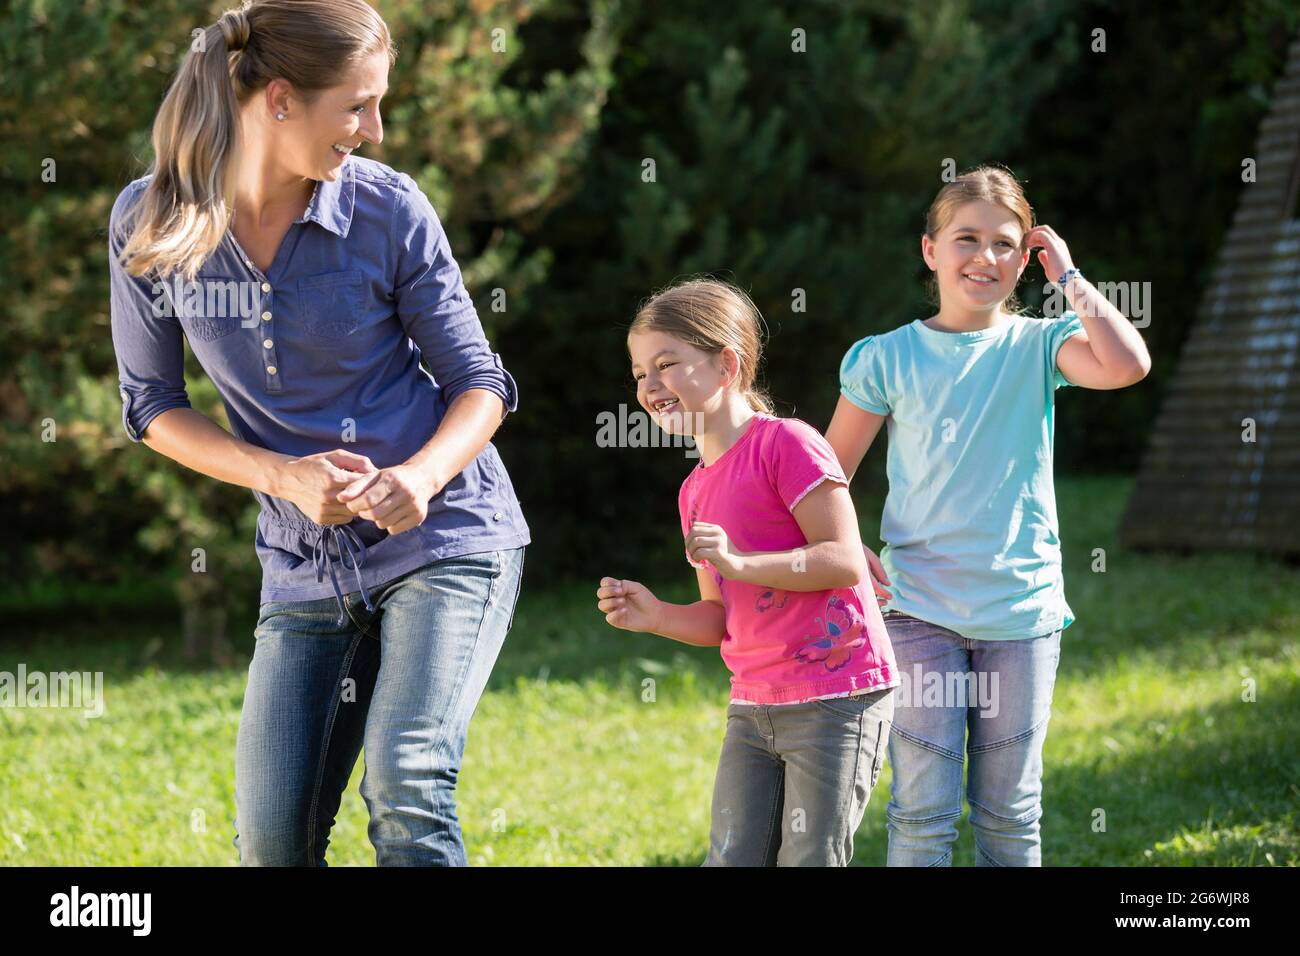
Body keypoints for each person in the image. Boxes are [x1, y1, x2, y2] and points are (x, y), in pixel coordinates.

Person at [107, 0, 528, 865]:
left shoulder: (387, 211)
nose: (374, 129)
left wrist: (419, 476)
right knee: (271, 841)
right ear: (279, 100)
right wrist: (283, 477)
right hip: (304, 564)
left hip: (446, 536)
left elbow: (480, 385)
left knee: (407, 784)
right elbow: (152, 406)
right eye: (358, 105)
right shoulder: (151, 219)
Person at [825, 164, 1151, 866]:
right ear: (929, 250)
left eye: (1006, 244)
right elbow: (825, 478)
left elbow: (1127, 365)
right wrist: (849, 549)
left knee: (1009, 815)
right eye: (966, 239)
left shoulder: (1042, 344)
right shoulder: (886, 358)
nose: (985, 258)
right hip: (916, 611)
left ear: (1025, 257)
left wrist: (1068, 276)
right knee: (921, 814)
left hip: (1020, 615)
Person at [597, 278, 897, 866]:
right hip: (752, 705)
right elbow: (719, 618)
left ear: (727, 364)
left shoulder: (787, 445)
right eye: (638, 373)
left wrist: (741, 562)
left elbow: (841, 559)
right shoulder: (693, 491)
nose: (649, 385)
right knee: (733, 857)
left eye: (666, 364)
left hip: (838, 695)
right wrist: (656, 616)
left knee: (809, 857)